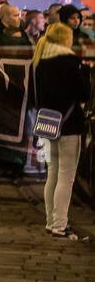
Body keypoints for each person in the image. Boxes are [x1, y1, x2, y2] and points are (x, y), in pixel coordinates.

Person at [32, 23, 90, 240]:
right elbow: (83, 93)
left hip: (47, 124)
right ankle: (60, 225)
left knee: (52, 174)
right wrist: (84, 72)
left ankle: (50, 221)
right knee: (66, 177)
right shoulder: (70, 63)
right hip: (68, 126)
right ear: (67, 39)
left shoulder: (40, 62)